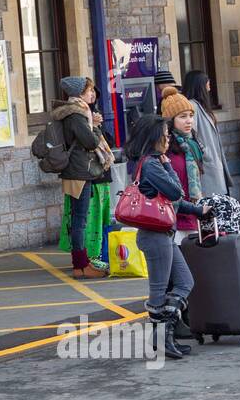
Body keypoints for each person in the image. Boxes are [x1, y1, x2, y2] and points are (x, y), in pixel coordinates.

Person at [125, 114, 212, 360]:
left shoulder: (152, 162)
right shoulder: (153, 164)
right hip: (155, 237)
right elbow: (175, 191)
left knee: (185, 282)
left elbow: (173, 201)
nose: (168, 138)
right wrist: (168, 165)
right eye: (164, 135)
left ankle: (167, 332)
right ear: (154, 138)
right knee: (159, 290)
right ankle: (162, 339)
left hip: (163, 234)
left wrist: (198, 211)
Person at [51, 76, 115, 278]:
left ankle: (81, 263)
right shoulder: (77, 115)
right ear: (79, 94)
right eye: (89, 91)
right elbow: (89, 142)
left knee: (79, 218)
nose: (92, 94)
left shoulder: (77, 112)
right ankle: (81, 265)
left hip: (76, 170)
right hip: (79, 171)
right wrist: (94, 127)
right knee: (80, 219)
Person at [159, 85, 204, 242]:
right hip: (173, 222)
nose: (189, 121)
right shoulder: (164, 149)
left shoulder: (192, 144)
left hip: (194, 220)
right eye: (183, 116)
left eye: (191, 115)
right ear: (171, 121)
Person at [181, 70, 231, 196]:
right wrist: (205, 152)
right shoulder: (192, 105)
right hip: (207, 167)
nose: (209, 83)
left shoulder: (201, 105)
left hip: (213, 164)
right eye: (206, 80)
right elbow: (190, 134)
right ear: (199, 84)